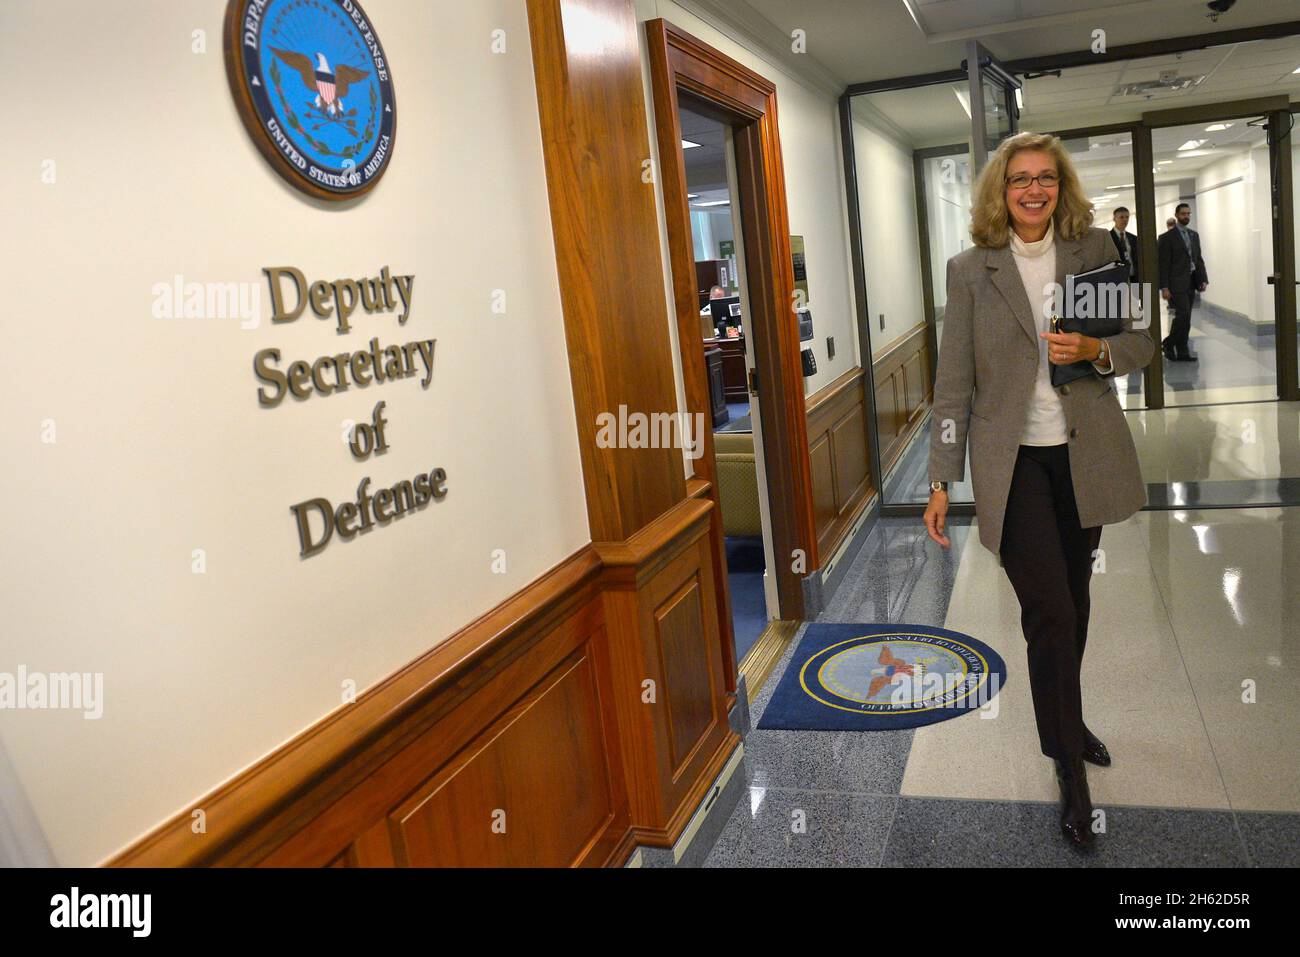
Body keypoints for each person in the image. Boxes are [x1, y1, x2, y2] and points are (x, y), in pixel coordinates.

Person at [922, 131, 1153, 849]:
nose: (1032, 190)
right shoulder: (969, 270)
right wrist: (939, 476)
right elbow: (952, 384)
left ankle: (1068, 718)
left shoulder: (1095, 254)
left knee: (1075, 603)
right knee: (1049, 607)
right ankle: (1070, 774)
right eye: (1019, 178)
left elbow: (1142, 336)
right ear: (1000, 189)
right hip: (1012, 464)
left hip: (1081, 460)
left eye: (1045, 178)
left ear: (1061, 186)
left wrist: (1098, 351)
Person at [1157, 202, 1208, 362]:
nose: (1186, 216)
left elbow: (1198, 258)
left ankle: (1181, 349)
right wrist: (1164, 287)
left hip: (1192, 281)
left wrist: (1203, 279)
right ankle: (1169, 343)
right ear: (1177, 215)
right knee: (1183, 314)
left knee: (1186, 317)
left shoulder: (1194, 235)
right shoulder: (1167, 238)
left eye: (1188, 214)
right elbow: (1163, 264)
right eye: (1183, 214)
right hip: (1176, 283)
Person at [1108, 207, 1140, 284]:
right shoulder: (1108, 237)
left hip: (1134, 278)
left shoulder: (1133, 238)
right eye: (1121, 217)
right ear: (1114, 218)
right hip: (1117, 279)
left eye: (1127, 217)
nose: (1125, 220)